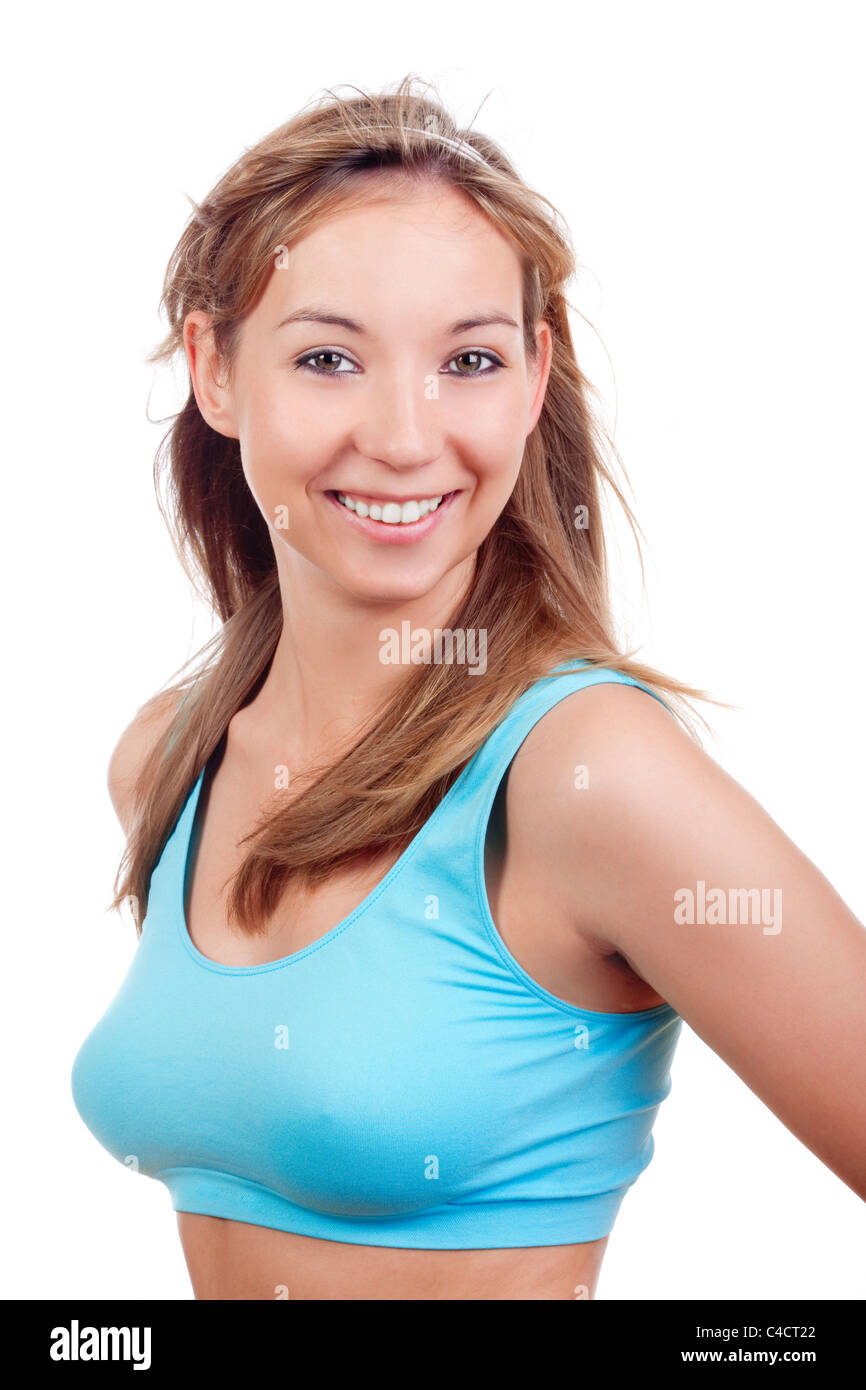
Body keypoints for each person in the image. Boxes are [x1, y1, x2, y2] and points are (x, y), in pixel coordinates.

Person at [71, 76, 866, 1301]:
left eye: (470, 359)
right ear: (213, 370)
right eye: (329, 357)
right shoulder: (166, 764)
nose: (402, 433)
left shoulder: (584, 774)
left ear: (534, 375)